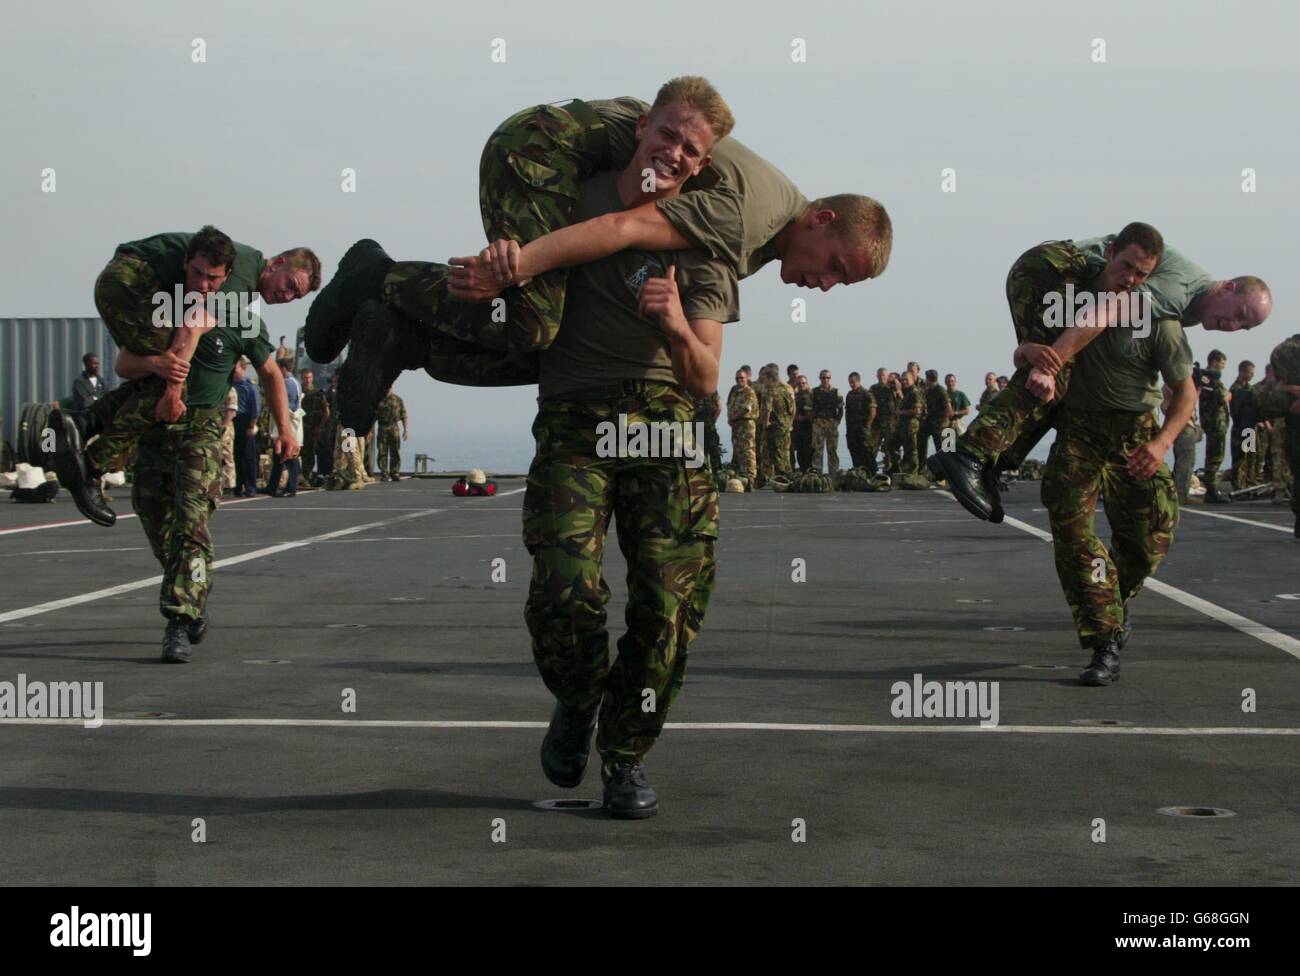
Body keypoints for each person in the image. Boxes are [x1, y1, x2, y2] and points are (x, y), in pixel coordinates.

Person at [311, 79, 892, 433]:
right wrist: (518, 266)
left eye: (843, 283)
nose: (826, 284)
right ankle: (380, 276)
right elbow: (621, 227)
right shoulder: (746, 216)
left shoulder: (767, 229)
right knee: (536, 320)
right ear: (821, 218)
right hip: (539, 151)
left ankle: (404, 339)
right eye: (836, 266)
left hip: (561, 159)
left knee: (557, 346)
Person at [522, 112, 734, 819]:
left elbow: (705, 378)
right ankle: (579, 699)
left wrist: (674, 322)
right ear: (642, 129)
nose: (673, 154)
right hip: (576, 420)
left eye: (690, 150)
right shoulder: (568, 205)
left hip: (666, 428)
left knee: (668, 605)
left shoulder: (703, 240)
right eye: (667, 136)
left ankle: (625, 754)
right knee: (563, 588)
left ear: (700, 167)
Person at [930, 224, 1271, 523]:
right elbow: (1106, 310)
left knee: (1064, 383)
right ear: (1228, 287)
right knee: (1054, 373)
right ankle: (969, 456)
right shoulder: (1177, 292)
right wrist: (1052, 363)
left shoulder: (1189, 303)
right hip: (1046, 270)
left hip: (1060, 278)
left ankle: (994, 463)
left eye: (1245, 327)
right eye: (1239, 312)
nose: (1234, 325)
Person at [51, 227, 319, 525]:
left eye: (296, 296)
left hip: (120, 278)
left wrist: (285, 428)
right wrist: (172, 392)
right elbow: (192, 326)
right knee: (168, 373)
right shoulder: (241, 279)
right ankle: (91, 467)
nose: (287, 295)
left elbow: (270, 374)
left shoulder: (240, 293)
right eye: (290, 284)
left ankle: (83, 422)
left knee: (158, 365)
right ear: (278, 262)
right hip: (134, 281)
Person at [111, 295, 295, 662]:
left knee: (190, 523)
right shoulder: (162, 309)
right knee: (153, 516)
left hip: (202, 433)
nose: (207, 284)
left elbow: (271, 373)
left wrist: (285, 429)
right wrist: (156, 363)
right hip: (156, 431)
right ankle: (193, 589)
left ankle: (179, 619)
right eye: (199, 274)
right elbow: (123, 365)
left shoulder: (242, 321)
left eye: (216, 277)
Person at [1041, 316, 1195, 685]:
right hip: (1080, 433)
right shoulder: (1069, 307)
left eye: (1139, 272)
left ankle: (1114, 599)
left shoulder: (1160, 322)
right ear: (1109, 255)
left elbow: (1185, 391)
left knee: (1151, 537)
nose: (1129, 279)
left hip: (1137, 435)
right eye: (1124, 267)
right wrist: (1028, 351)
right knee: (1075, 540)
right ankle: (1105, 643)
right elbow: (1026, 355)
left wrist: (1162, 444)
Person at [266, 356, 304, 496]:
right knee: (279, 458)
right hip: (289, 423)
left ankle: (291, 487)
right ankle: (273, 485)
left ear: (283, 368)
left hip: (289, 424)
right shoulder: (294, 382)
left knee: (289, 457)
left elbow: (284, 403)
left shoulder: (287, 383)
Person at [231, 358, 260, 497]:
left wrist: (251, 426)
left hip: (246, 421)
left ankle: (251, 486)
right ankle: (238, 485)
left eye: (235, 367)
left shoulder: (250, 386)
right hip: (233, 420)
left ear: (242, 368)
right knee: (236, 455)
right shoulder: (230, 384)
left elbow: (255, 409)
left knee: (248, 456)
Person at [727, 368, 758, 483]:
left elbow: (746, 408)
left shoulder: (749, 392)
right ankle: (741, 474)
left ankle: (750, 477)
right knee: (738, 450)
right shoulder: (734, 391)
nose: (739, 380)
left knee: (748, 450)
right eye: (737, 378)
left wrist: (733, 417)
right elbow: (729, 405)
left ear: (746, 378)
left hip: (746, 424)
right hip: (736, 424)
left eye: (742, 378)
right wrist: (729, 418)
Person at [1228, 359, 1255, 487]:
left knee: (1250, 455)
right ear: (1242, 371)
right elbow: (1236, 411)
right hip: (1241, 428)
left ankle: (1248, 482)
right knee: (1240, 457)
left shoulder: (1249, 389)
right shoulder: (1235, 389)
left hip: (1249, 427)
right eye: (1250, 373)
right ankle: (1238, 484)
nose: (1252, 375)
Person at [809, 370, 842, 473]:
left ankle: (833, 473)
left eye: (827, 378)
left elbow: (840, 409)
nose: (825, 380)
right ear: (820, 378)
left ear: (830, 378)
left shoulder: (836, 392)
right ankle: (817, 473)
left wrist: (837, 422)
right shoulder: (814, 392)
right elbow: (809, 408)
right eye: (823, 378)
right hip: (818, 424)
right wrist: (814, 422)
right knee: (817, 451)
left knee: (832, 450)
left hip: (832, 424)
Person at [866, 367, 896, 476]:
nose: (881, 377)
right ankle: (871, 471)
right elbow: (868, 403)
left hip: (889, 424)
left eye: (883, 375)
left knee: (889, 449)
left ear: (887, 376)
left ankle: (889, 472)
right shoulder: (873, 389)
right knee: (872, 448)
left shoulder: (892, 388)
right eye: (879, 375)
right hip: (876, 424)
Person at [374, 387, 408, 481]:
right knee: (382, 452)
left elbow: (404, 415)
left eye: (389, 386)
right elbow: (373, 417)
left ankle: (394, 472)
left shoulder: (397, 400)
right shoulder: (378, 399)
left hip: (394, 427)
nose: (388, 388)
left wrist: (406, 430)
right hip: (382, 427)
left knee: (395, 451)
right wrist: (369, 431)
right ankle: (384, 473)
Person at [844, 371, 875, 469]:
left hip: (862, 427)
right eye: (850, 382)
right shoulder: (849, 394)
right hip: (852, 427)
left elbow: (873, 411)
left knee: (866, 450)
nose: (851, 384)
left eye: (853, 382)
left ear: (858, 381)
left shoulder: (867, 394)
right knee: (853, 449)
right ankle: (857, 470)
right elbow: (847, 411)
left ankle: (871, 471)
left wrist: (867, 425)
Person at [793, 374, 813, 471]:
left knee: (808, 452)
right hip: (797, 428)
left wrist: (804, 418)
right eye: (799, 383)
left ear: (807, 383)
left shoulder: (811, 395)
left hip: (809, 428)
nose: (801, 385)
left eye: (803, 383)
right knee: (800, 453)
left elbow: (814, 412)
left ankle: (809, 473)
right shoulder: (795, 396)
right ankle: (803, 472)